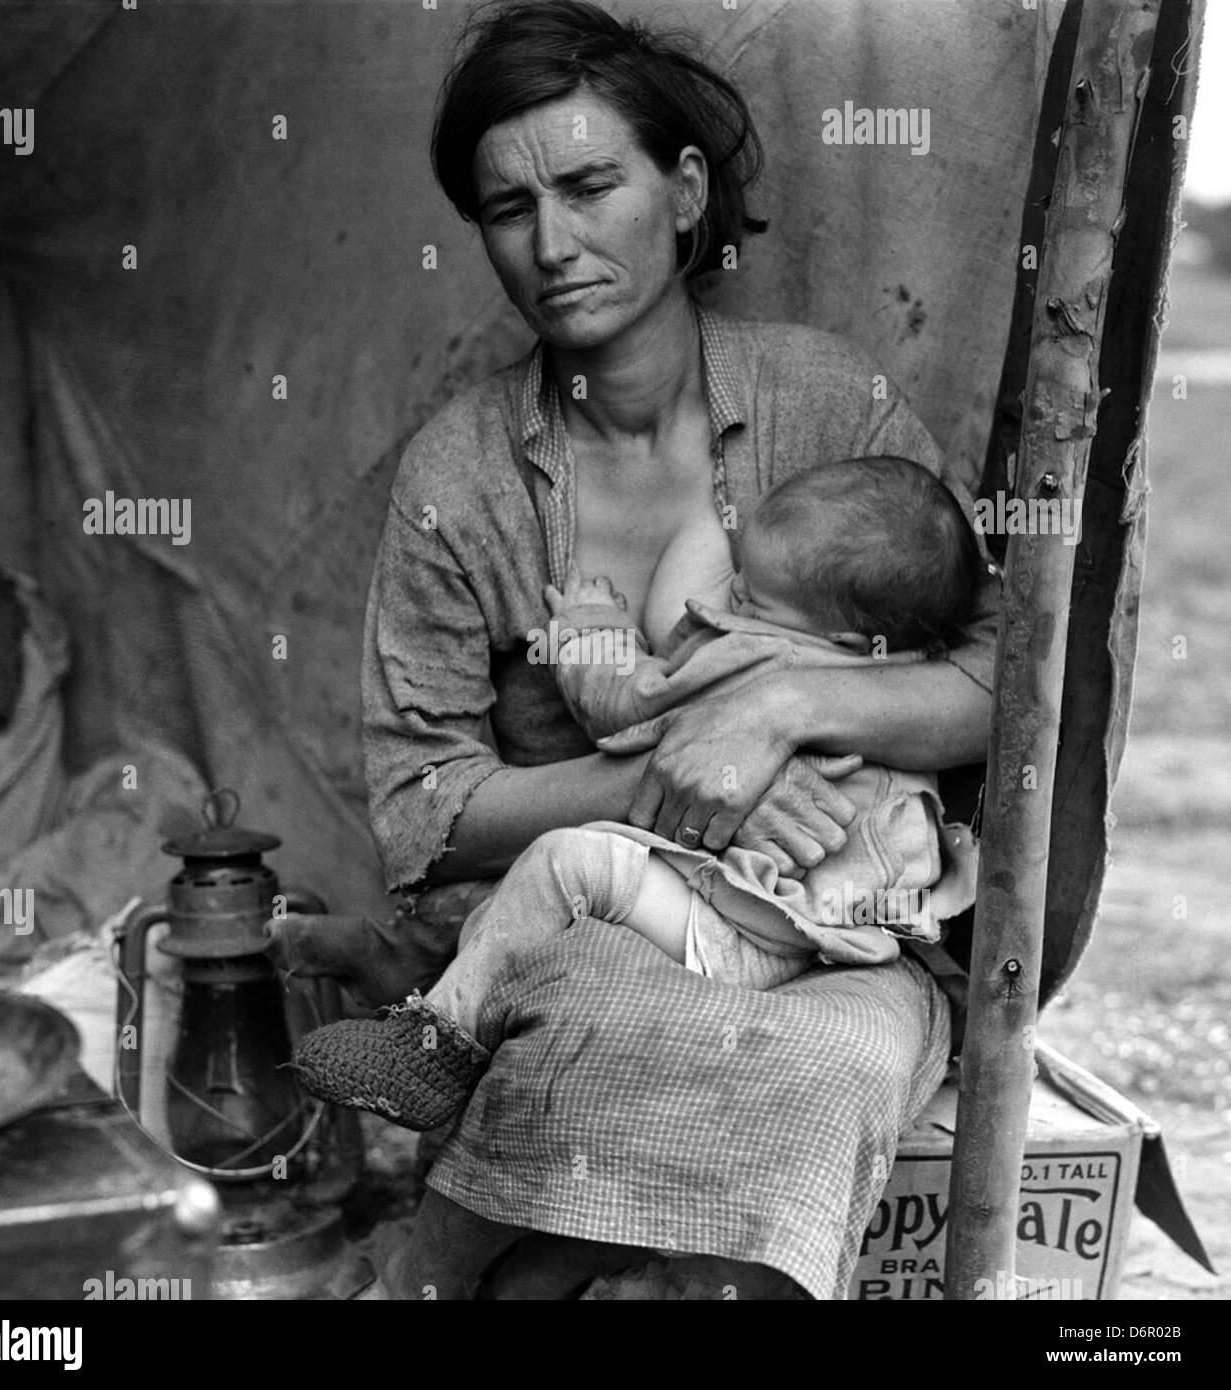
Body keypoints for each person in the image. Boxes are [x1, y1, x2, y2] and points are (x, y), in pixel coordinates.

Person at [268, 0, 999, 1300]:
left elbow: (998, 686)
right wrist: (675, 774)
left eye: (591, 184)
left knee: (826, 1075)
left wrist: (776, 706)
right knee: (591, 1026)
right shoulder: (463, 470)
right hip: (611, 916)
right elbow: (421, 807)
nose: (552, 244)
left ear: (682, 190)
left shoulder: (826, 405)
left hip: (847, 936)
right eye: (508, 208)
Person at [291, 455, 985, 1132]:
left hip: (751, 934)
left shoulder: (761, 656)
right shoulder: (901, 671)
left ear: (838, 635)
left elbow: (628, 701)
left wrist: (592, 631)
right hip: (834, 925)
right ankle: (423, 967)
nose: (729, 595)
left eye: (749, 595)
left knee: (566, 863)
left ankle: (432, 1049)